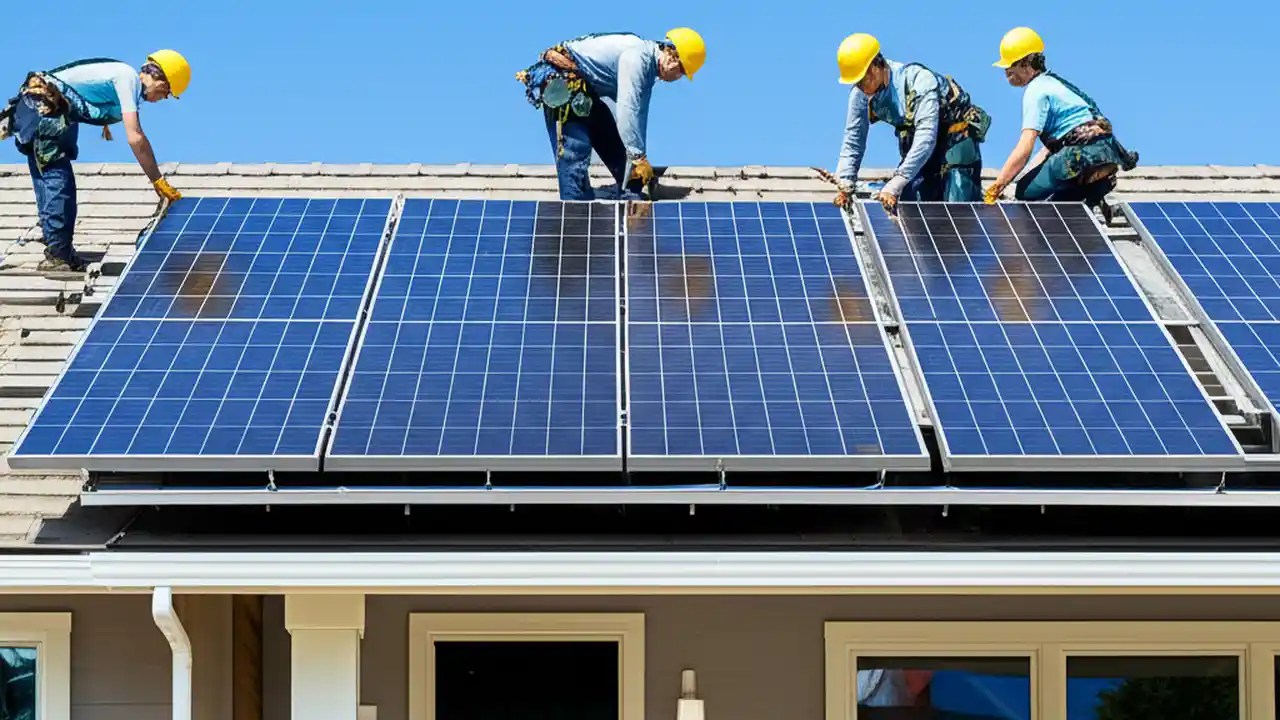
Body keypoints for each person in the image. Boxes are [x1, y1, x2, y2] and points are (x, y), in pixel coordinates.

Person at [0, 51, 189, 272]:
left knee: (47, 177)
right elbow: (135, 136)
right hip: (45, 108)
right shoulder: (128, 78)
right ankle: (59, 254)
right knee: (58, 181)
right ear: (159, 78)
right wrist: (157, 180)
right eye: (166, 92)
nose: (162, 98)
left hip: (33, 109)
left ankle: (56, 245)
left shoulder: (120, 81)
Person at [517, 29, 705, 201]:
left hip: (586, 93)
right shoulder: (638, 57)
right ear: (673, 58)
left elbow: (639, 114)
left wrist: (640, 157)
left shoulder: (647, 68)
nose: (678, 77)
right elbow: (628, 108)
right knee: (575, 152)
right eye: (682, 71)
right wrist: (637, 155)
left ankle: (632, 190)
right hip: (565, 86)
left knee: (609, 136)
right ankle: (575, 219)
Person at [984, 27, 1138, 217]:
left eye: (1011, 65)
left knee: (1025, 192)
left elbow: (1025, 145)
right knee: (1050, 193)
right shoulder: (1056, 84)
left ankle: (1086, 194)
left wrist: (999, 185)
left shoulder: (1035, 91)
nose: (1006, 71)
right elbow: (1049, 149)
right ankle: (1092, 194)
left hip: (1079, 155)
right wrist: (1022, 176)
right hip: (1105, 150)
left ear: (1026, 62)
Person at [832, 33, 990, 214]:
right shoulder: (860, 95)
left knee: (957, 209)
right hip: (918, 147)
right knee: (912, 206)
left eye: (863, 79)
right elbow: (854, 139)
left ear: (876, 65)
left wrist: (895, 183)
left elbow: (926, 138)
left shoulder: (919, 81)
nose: (860, 87)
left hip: (954, 140)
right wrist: (845, 182)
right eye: (856, 82)